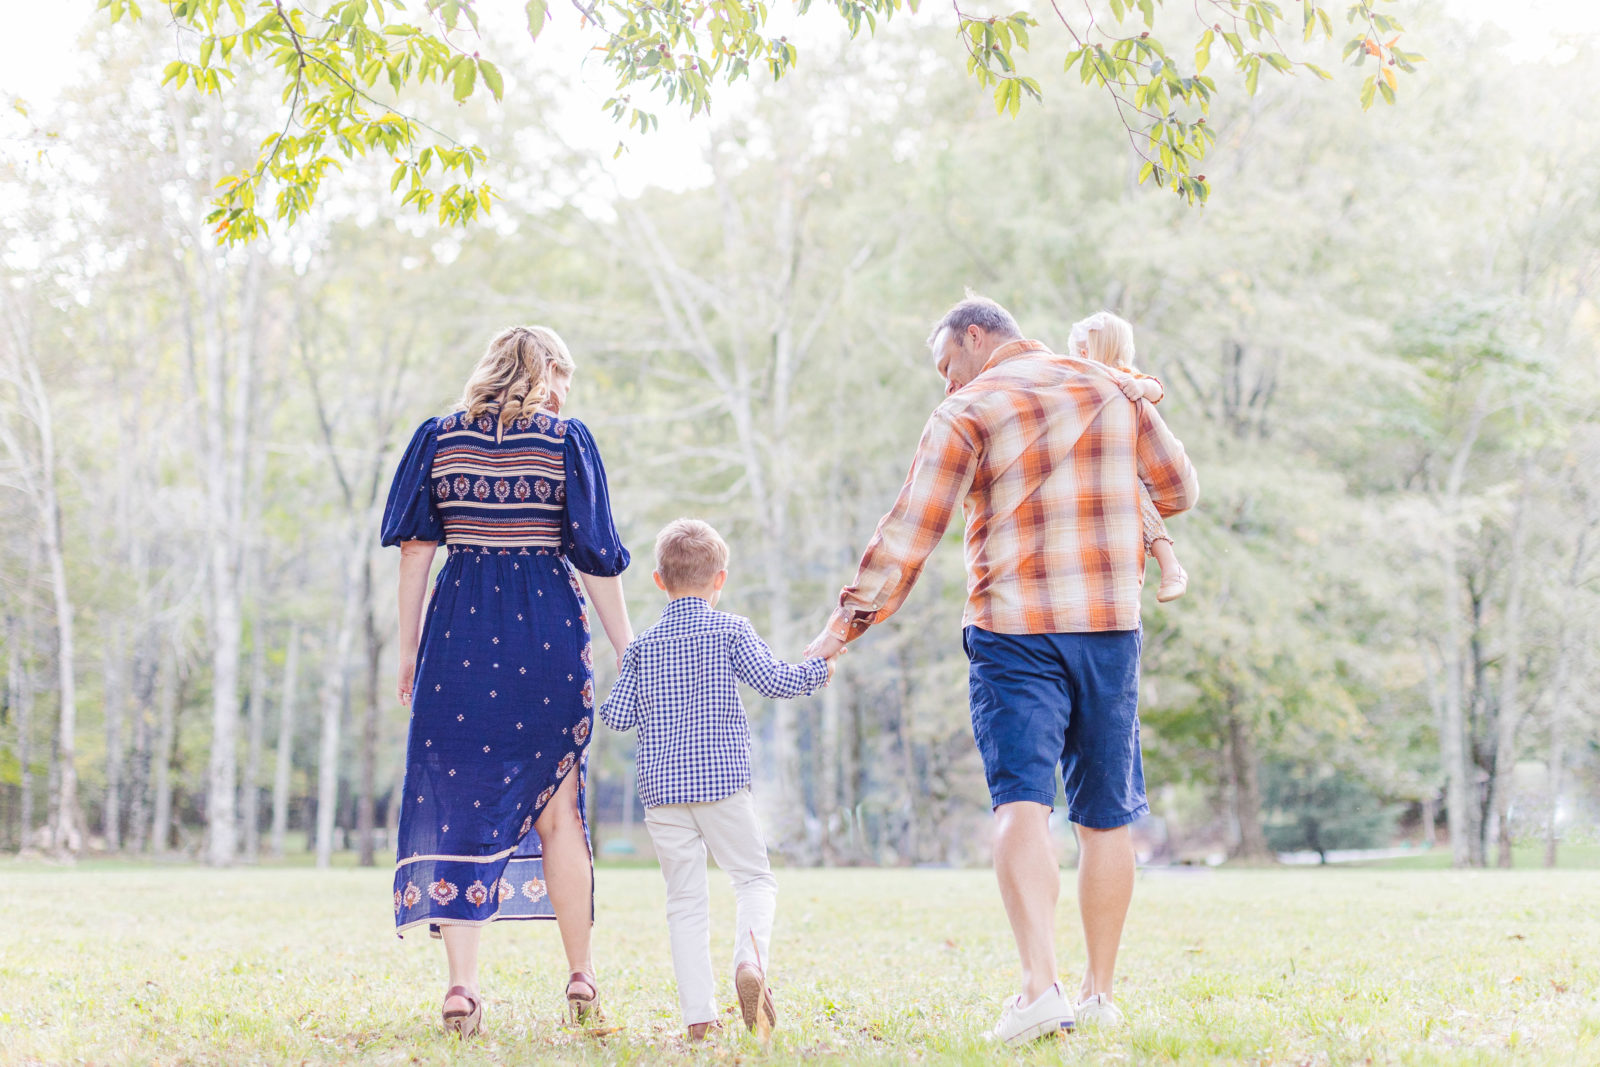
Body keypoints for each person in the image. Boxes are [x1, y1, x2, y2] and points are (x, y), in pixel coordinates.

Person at [803, 295, 1198, 1043]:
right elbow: (1178, 489)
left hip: (1012, 630)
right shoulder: (1114, 387)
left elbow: (910, 532)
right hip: (1109, 627)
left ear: (975, 337)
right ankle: (1098, 994)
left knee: (1021, 802)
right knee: (1105, 814)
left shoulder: (970, 409)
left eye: (946, 364)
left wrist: (844, 624)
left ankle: (1038, 986)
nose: (946, 382)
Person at [380, 325, 635, 1036]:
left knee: (459, 803)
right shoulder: (565, 441)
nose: (564, 394)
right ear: (548, 368)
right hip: (546, 635)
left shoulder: (439, 440)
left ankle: (462, 988)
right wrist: (626, 645)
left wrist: (407, 650)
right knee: (560, 811)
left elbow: (414, 556)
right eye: (564, 378)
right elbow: (597, 558)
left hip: (457, 636)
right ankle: (581, 973)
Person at [599, 518, 834, 1044]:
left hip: (662, 795)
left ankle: (699, 1017)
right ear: (719, 579)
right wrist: (821, 668)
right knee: (753, 879)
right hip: (722, 784)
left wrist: (627, 669)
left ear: (659, 581)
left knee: (684, 900)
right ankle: (749, 960)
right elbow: (776, 680)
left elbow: (614, 717)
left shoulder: (642, 648)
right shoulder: (730, 629)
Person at [1067, 310, 1188, 602]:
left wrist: (1139, 387)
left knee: (1138, 500)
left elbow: (1156, 388)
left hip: (1122, 470)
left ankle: (1171, 566)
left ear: (1087, 351)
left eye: (1081, 352)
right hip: (1090, 470)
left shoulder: (1124, 378)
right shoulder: (1076, 383)